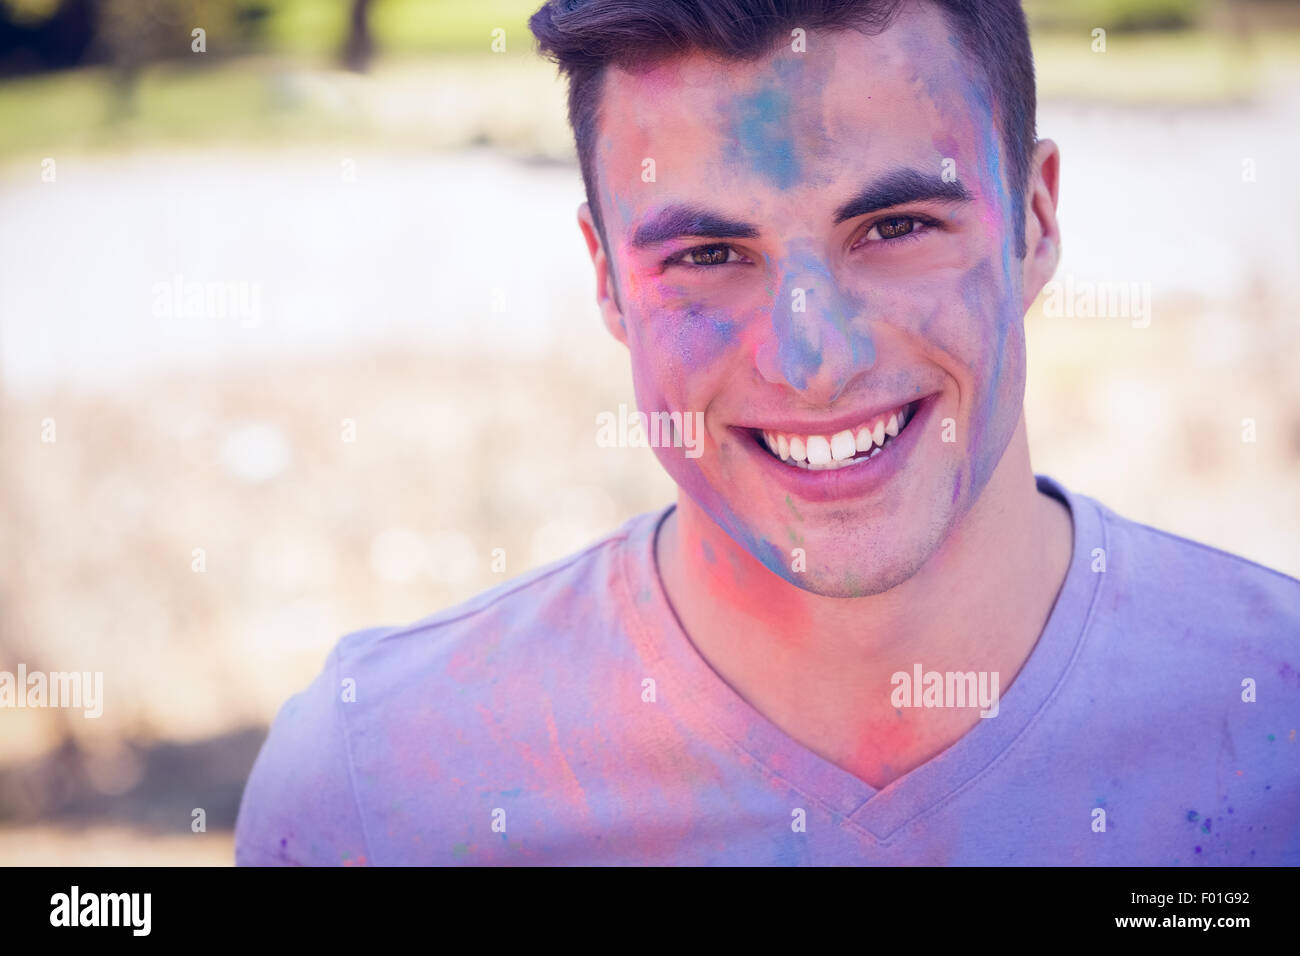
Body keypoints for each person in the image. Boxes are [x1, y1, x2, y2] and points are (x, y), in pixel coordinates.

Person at [235, 0, 1300, 865]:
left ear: (1034, 218)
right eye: (706, 255)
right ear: (606, 276)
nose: (814, 359)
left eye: (894, 227)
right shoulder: (382, 790)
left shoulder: (1271, 724)